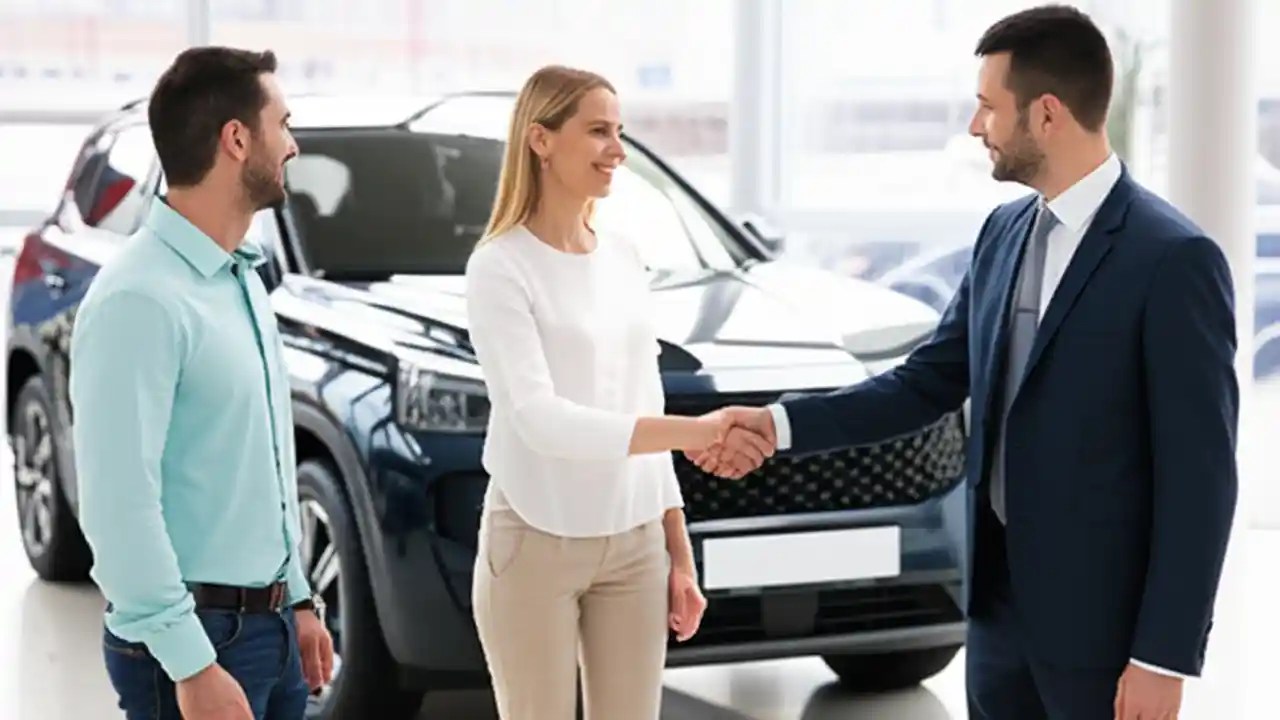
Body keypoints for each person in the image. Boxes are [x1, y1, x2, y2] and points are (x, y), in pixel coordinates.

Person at [694, 6, 1238, 720]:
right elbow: (926, 382)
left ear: (1046, 115)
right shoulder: (1004, 232)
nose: (975, 126)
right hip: (996, 618)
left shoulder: (1172, 260)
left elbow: (1200, 479)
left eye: (988, 106)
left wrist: (1162, 655)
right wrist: (777, 425)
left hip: (1105, 635)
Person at [464, 64, 773, 720]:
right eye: (599, 131)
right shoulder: (500, 266)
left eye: (620, 131)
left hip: (634, 542)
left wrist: (678, 552)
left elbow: (643, 401)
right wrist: (699, 434)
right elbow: (540, 419)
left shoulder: (624, 258)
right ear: (540, 140)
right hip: (534, 537)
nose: (618, 151)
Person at [69, 47, 334, 720]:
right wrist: (190, 662)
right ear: (237, 139)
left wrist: (297, 599)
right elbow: (118, 505)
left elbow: (260, 469)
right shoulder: (140, 299)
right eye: (284, 123)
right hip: (197, 641)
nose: (294, 144)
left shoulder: (241, 278)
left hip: (268, 629)